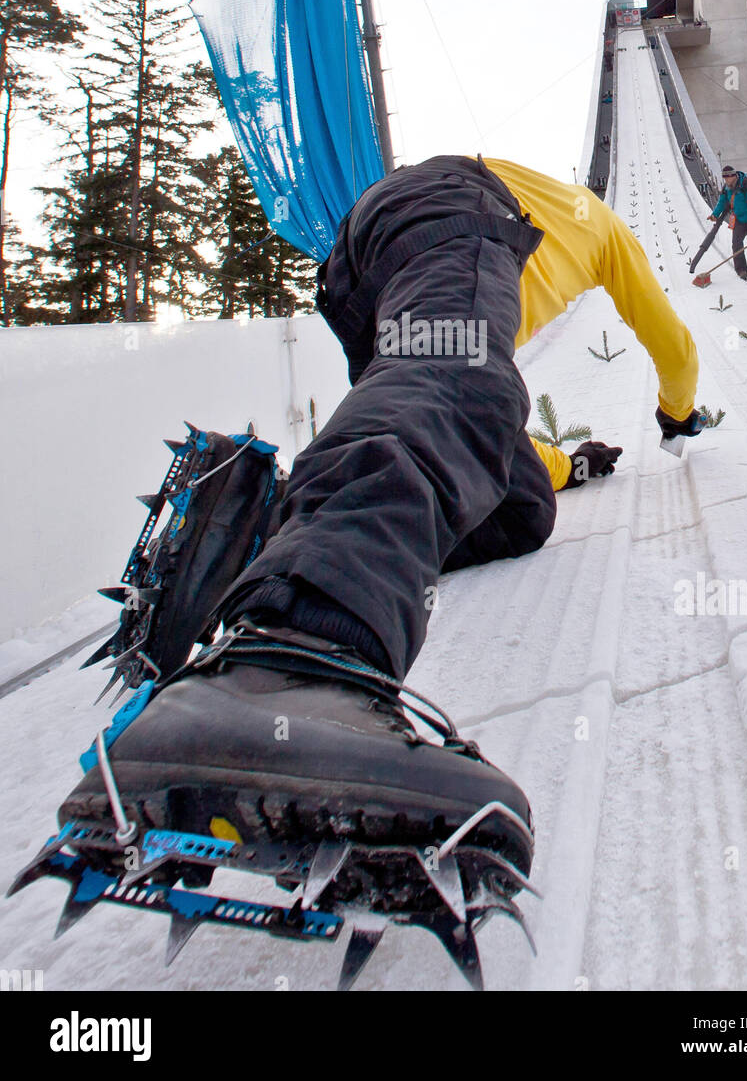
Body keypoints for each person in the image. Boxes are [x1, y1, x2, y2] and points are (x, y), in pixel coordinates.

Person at [57, 155, 703, 909]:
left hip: (362, 259)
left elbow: (466, 423)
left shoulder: (520, 239)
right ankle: (292, 658)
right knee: (457, 382)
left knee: (516, 501)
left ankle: (258, 529)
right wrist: (678, 414)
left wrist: (570, 463)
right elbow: (671, 342)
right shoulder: (601, 232)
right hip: (455, 211)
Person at [708, 165, 747, 279]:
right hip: (740, 218)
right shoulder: (727, 188)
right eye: (725, 178)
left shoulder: (746, 185)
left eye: (728, 178)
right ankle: (741, 271)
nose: (726, 180)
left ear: (733, 176)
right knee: (736, 243)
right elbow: (722, 202)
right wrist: (714, 214)